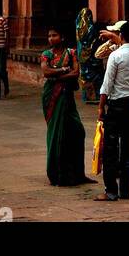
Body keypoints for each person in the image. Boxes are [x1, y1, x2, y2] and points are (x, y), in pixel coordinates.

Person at [97, 21, 129, 202]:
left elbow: (107, 84)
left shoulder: (116, 56)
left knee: (110, 150)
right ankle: (125, 191)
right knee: (128, 149)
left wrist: (101, 106)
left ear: (122, 36)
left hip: (116, 105)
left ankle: (111, 190)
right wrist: (117, 38)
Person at [40, 26, 92, 186]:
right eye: (49, 36)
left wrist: (57, 73)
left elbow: (76, 73)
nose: (50, 38)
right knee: (57, 133)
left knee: (77, 131)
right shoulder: (46, 54)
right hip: (52, 97)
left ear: (62, 37)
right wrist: (63, 70)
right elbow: (45, 72)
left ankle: (77, 173)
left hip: (67, 97)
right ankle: (57, 174)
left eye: (54, 35)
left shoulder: (71, 53)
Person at [75, 7, 103, 104]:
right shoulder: (91, 28)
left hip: (82, 56)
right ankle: (96, 95)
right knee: (95, 75)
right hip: (92, 56)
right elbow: (94, 42)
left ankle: (87, 96)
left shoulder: (78, 27)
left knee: (85, 76)